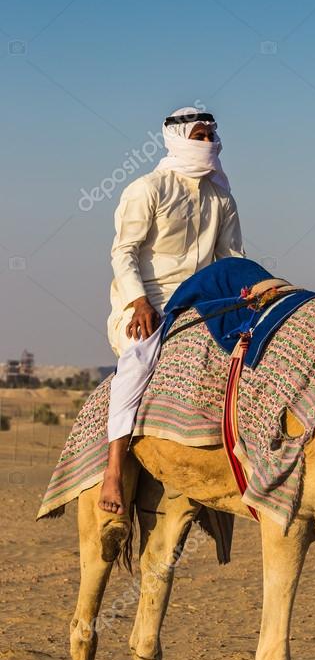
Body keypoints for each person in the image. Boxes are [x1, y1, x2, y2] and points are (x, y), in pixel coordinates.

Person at [99, 106, 244, 515]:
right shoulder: (148, 188)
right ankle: (114, 469)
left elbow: (231, 257)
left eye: (211, 135)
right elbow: (123, 251)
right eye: (199, 136)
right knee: (138, 360)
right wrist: (138, 301)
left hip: (204, 299)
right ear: (178, 139)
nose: (208, 142)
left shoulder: (222, 196)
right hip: (151, 302)